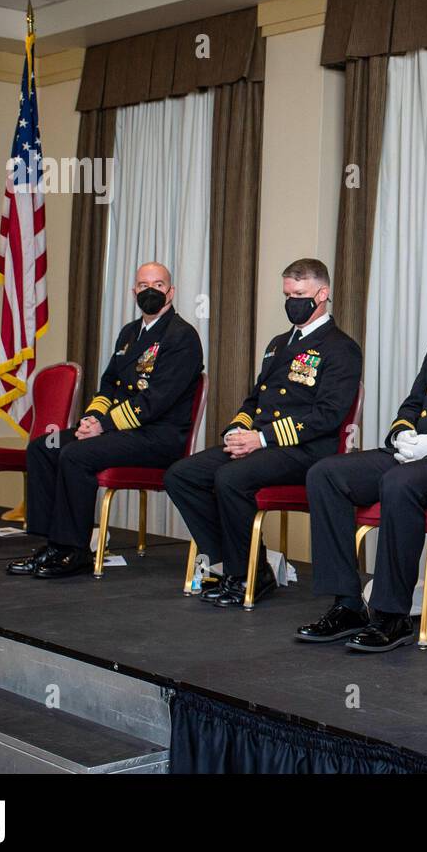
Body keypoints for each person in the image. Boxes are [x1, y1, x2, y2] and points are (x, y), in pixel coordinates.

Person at [297, 240, 427, 652]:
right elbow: (414, 401)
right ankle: (347, 604)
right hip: (423, 457)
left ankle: (392, 616)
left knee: (401, 482)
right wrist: (402, 434)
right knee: (327, 473)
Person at [164, 259, 361, 607]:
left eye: (299, 294)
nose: (291, 302)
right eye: (287, 294)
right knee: (182, 475)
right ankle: (235, 564)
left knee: (230, 478)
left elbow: (327, 416)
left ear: (322, 293)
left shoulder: (341, 348)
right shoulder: (278, 343)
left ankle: (247, 575)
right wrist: (239, 429)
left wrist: (262, 438)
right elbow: (255, 399)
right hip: (261, 444)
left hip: (306, 451)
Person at [9, 262, 203, 579]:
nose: (150, 291)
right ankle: (51, 544)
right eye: (143, 285)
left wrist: (103, 426)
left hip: (156, 437)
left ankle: (74, 551)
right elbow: (109, 385)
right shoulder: (129, 333)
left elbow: (155, 401)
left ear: (171, 291)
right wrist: (92, 417)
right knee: (45, 445)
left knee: (74, 454)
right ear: (133, 291)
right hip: (113, 431)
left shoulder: (182, 337)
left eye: (158, 284)